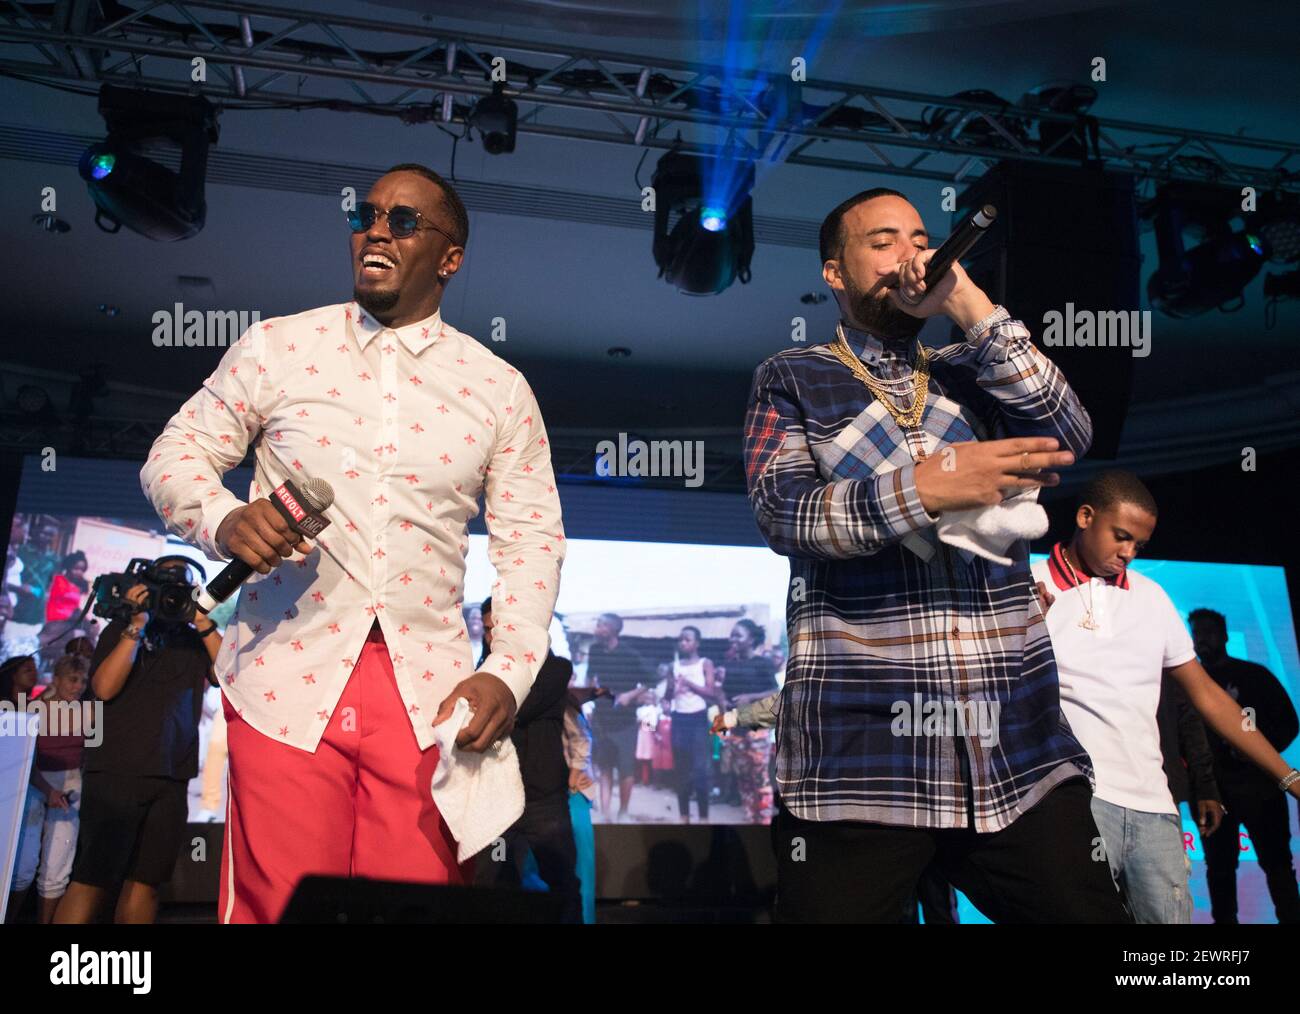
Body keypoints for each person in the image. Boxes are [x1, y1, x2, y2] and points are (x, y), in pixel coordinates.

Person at [138, 163, 565, 923]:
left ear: (450, 256)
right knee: (283, 909)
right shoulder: (276, 346)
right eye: (367, 215)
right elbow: (175, 456)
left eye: (403, 221)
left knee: (416, 909)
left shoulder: (498, 387)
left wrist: (508, 671)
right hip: (284, 674)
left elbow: (531, 540)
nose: (375, 229)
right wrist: (225, 518)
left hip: (427, 690)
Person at [745, 186, 1128, 923]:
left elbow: (1072, 430)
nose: (909, 255)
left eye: (920, 240)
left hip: (1017, 755)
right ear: (836, 271)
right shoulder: (793, 376)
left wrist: (969, 302)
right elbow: (785, 515)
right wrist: (930, 486)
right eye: (882, 241)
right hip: (860, 763)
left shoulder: (967, 370)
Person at [1031, 470, 1300, 923]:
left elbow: (1207, 697)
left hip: (1155, 809)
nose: (1128, 553)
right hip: (1074, 800)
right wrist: (1024, 627)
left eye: (1139, 544)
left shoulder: (1152, 598)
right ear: (1084, 516)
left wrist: (1290, 779)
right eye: (1120, 537)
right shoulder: (1028, 586)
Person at [54, 568, 221, 924]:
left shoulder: (195, 640)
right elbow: (104, 689)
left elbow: (227, 676)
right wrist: (137, 622)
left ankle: (131, 969)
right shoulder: (121, 630)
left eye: (180, 590)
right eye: (165, 590)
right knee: (91, 878)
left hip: (172, 777)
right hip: (116, 773)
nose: (171, 598)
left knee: (146, 883)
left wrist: (201, 620)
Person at [1189, 607, 1300, 924]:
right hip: (1214, 793)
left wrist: (1256, 750)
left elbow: (1289, 723)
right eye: (1196, 634)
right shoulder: (1190, 682)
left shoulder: (1256, 676)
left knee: (1278, 865)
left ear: (1224, 635)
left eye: (1209, 632)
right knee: (1219, 870)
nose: (1202, 640)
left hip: (1261, 789)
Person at [474, 597, 582, 923]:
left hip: (543, 803)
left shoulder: (556, 669)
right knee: (493, 883)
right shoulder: (477, 672)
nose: (493, 636)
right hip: (496, 803)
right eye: (488, 630)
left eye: (500, 628)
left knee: (561, 882)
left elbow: (515, 706)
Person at [8, 655, 89, 923]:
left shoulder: (88, 712)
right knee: (22, 865)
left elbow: (89, 756)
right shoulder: (33, 710)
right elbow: (24, 760)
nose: (78, 686)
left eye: (82, 680)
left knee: (57, 868)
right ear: (56, 680)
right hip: (34, 786)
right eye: (72, 680)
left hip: (70, 787)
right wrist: (46, 789)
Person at [586, 613, 651, 822]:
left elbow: (652, 680)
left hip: (625, 721)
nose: (596, 628)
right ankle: (606, 813)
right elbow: (590, 677)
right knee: (604, 766)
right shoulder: (594, 651)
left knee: (625, 769)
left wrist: (630, 696)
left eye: (601, 625)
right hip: (602, 718)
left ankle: (623, 811)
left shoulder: (630, 654)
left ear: (613, 630)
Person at [718, 620, 779, 822]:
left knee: (760, 778)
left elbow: (775, 692)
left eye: (738, 635)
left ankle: (763, 820)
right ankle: (750, 816)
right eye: (732, 635)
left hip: (757, 729)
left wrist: (750, 697)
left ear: (751, 639)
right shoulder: (729, 664)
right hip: (736, 729)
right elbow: (726, 694)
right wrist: (725, 702)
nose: (733, 639)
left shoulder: (763, 663)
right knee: (743, 777)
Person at [665, 625, 720, 823]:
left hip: (697, 718)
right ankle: (684, 817)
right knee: (681, 770)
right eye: (680, 639)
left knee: (700, 770)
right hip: (679, 718)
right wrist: (672, 688)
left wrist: (688, 684)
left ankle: (703, 818)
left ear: (697, 643)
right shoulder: (674, 665)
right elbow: (668, 696)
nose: (683, 643)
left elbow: (711, 693)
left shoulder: (705, 663)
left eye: (687, 639)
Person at [45, 552, 89, 623]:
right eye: (76, 568)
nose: (79, 572)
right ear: (68, 567)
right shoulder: (57, 580)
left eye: (82, 570)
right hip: (55, 620)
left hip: (71, 621)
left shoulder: (80, 585)